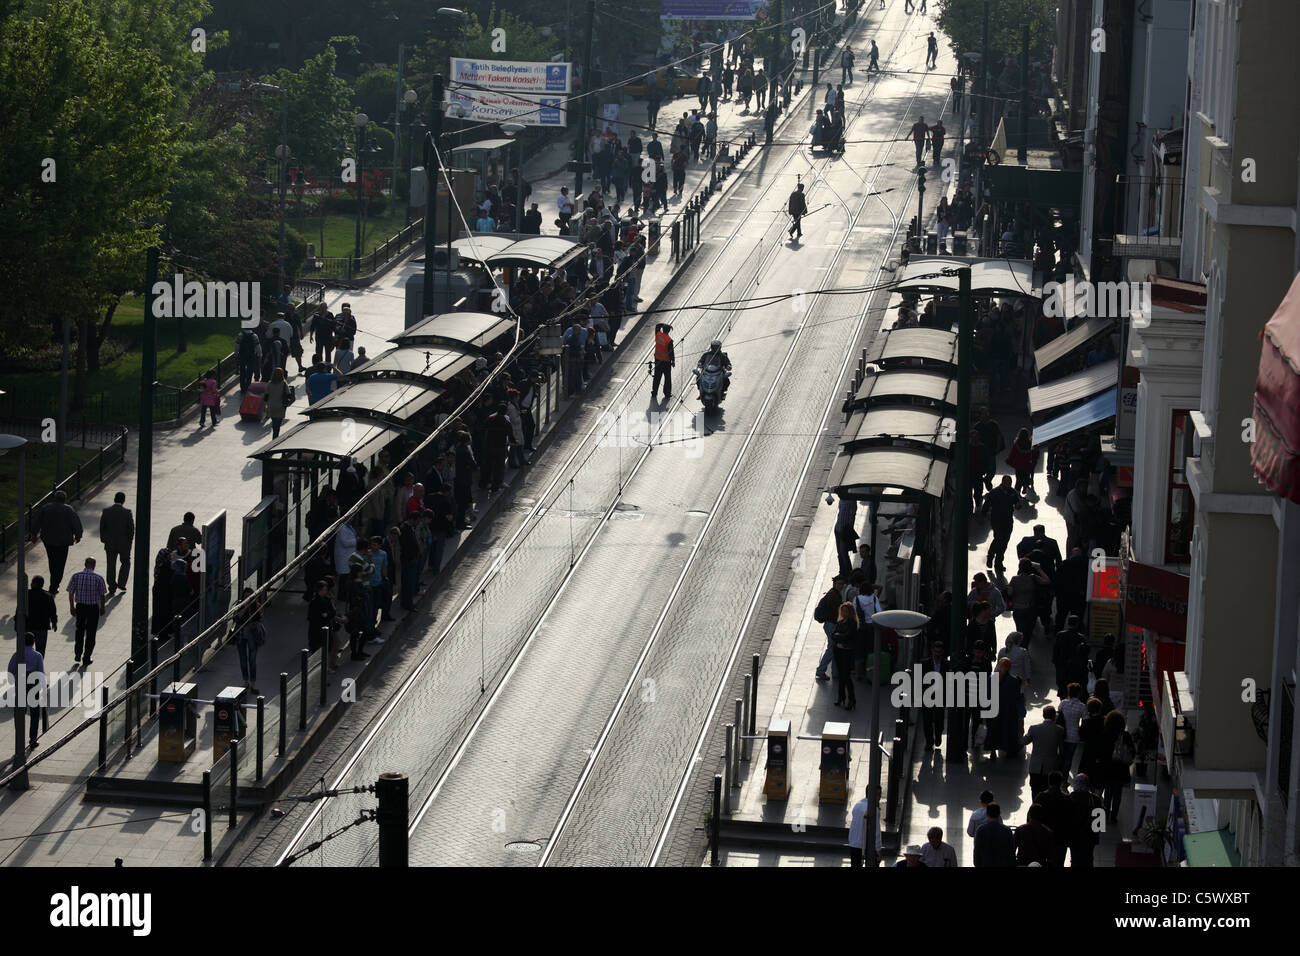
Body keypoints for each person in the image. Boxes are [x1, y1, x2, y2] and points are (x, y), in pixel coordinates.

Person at [30, 490, 83, 594]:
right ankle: (55, 585)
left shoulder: (46, 508)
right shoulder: (69, 510)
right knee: (60, 563)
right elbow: (76, 523)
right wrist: (78, 535)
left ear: (54, 498)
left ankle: (54, 583)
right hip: (63, 541)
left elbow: (37, 521)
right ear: (64, 500)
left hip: (49, 540)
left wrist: (34, 534)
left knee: (52, 561)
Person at [67, 556, 108, 666]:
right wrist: (102, 607)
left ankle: (78, 653)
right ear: (94, 566)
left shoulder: (76, 576)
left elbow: (70, 593)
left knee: (79, 630)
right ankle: (86, 657)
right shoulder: (98, 578)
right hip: (93, 608)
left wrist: (72, 607)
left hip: (80, 607)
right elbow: (102, 594)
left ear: (85, 564)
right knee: (91, 633)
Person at [8, 632, 44, 750]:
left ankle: (19, 739)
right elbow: (41, 673)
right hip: (33, 684)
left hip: (22, 682)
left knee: (19, 712)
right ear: (33, 642)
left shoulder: (17, 654)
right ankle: (33, 740)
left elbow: (10, 670)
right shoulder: (38, 655)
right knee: (34, 714)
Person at [1101, 710, 1136, 824]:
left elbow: (1101, 751)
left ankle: (1105, 813)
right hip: (1121, 769)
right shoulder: (1125, 735)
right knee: (1117, 794)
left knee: (1108, 792)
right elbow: (1133, 752)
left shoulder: (1105, 733)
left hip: (1107, 768)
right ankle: (1114, 815)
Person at [1022, 705, 1064, 795]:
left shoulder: (1034, 728)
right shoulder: (1059, 730)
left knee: (1035, 790)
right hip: (1050, 767)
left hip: (1035, 766)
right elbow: (1062, 749)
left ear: (1043, 715)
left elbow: (1024, 742)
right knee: (1047, 791)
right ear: (1054, 716)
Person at [98, 491, 134, 596]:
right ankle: (122, 583)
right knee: (126, 562)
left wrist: (103, 539)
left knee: (111, 565)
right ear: (124, 501)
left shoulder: (106, 511)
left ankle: (112, 586)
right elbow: (131, 529)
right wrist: (129, 542)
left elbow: (102, 527)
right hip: (124, 543)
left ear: (114, 499)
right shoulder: (127, 512)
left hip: (110, 543)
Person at [1008, 558, 1050, 645]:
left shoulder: (1014, 579)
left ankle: (1022, 647)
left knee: (1020, 631)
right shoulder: (1033, 577)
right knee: (1028, 632)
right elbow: (1047, 581)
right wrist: (1039, 569)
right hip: (1031, 609)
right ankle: (1025, 647)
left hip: (1018, 608)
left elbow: (1009, 593)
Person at [813, 574, 847, 682]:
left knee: (834, 647)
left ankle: (835, 672)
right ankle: (821, 670)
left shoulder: (835, 593)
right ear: (834, 584)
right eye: (839, 584)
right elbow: (836, 611)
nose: (841, 586)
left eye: (842, 584)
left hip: (831, 624)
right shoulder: (833, 596)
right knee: (832, 648)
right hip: (831, 625)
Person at [1036, 771, 1073, 865]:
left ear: (1049, 782)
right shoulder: (1067, 799)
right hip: (1061, 839)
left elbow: (1032, 816)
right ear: (1060, 783)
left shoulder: (1041, 797)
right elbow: (1070, 820)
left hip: (1043, 837)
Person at [233, 587, 264, 693]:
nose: (247, 598)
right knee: (243, 659)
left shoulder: (256, 605)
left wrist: (254, 624)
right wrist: (245, 607)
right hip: (241, 636)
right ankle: (245, 681)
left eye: (249, 596)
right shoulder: (239, 606)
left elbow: (260, 619)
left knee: (252, 660)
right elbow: (236, 618)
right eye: (245, 596)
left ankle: (253, 683)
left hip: (252, 636)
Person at [1068, 773, 1104, 866]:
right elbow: (1100, 824)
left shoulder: (1069, 799)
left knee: (1075, 859)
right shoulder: (1095, 800)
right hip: (1089, 837)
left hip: (1074, 837)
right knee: (1088, 859)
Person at [920, 641, 947, 749]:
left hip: (941, 696)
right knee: (927, 720)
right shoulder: (925, 664)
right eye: (935, 651)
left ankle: (938, 736)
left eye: (939, 652)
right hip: (928, 696)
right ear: (932, 651)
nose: (937, 654)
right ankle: (929, 741)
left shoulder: (946, 664)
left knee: (939, 719)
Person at [831, 603, 858, 709]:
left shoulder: (852, 623)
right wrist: (839, 637)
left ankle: (852, 699)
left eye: (846, 611)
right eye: (842, 611)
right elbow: (833, 635)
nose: (844, 613)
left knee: (846, 676)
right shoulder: (840, 622)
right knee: (841, 675)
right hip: (838, 651)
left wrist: (839, 637)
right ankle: (841, 697)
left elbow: (849, 635)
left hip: (847, 651)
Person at [973, 802, 1015, 867]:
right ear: (999, 814)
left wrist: (977, 864)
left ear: (987, 814)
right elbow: (1011, 852)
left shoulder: (981, 830)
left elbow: (977, 851)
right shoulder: (1007, 831)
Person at [24, 576, 57, 659]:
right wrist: (54, 622)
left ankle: (24, 669)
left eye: (32, 582)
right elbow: (52, 611)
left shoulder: (26, 595)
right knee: (40, 651)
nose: (30, 584)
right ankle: (39, 668)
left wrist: (16, 623)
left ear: (35, 584)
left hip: (29, 626)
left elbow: (20, 609)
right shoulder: (48, 596)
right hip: (42, 627)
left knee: (25, 649)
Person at [847, 795, 883, 866]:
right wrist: (878, 849)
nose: (879, 797)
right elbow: (876, 831)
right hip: (867, 844)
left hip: (854, 842)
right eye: (878, 794)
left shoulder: (857, 805)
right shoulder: (874, 810)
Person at [306, 578, 337, 654]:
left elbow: (333, 611)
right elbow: (311, 617)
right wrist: (322, 616)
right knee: (316, 649)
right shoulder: (314, 602)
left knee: (327, 647)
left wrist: (327, 614)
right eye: (324, 590)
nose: (325, 591)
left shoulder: (327, 599)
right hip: (317, 629)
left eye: (326, 590)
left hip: (326, 626)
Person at [265, 367, 291, 439]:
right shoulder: (284, 383)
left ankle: (274, 433)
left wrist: (265, 406)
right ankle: (276, 436)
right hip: (281, 405)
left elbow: (266, 396)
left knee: (274, 420)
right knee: (278, 423)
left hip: (271, 405)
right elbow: (288, 393)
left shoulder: (269, 384)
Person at [651, 323, 675, 402]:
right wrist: (673, 361)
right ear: (668, 331)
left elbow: (657, 326)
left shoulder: (658, 335)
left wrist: (663, 324)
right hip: (666, 362)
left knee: (657, 377)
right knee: (667, 378)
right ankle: (667, 393)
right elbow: (671, 352)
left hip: (657, 360)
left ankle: (654, 392)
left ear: (663, 329)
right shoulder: (669, 340)